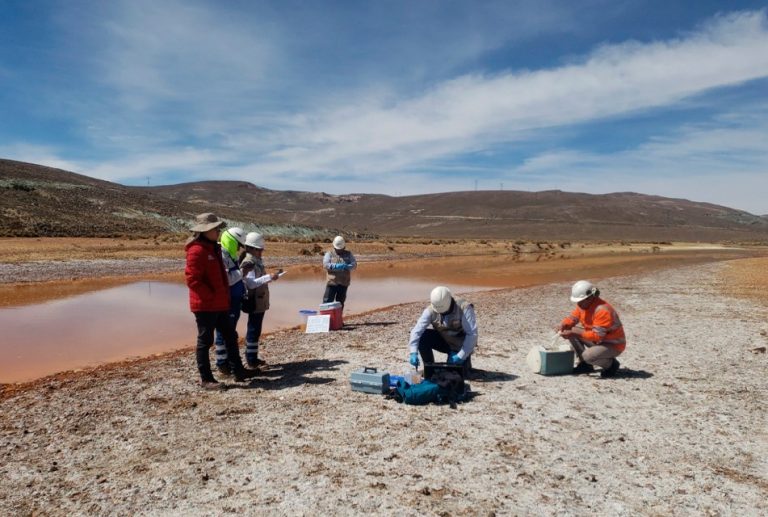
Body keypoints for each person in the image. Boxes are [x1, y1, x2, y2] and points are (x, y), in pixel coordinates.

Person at [184, 213, 258, 389]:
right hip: (205, 305)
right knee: (205, 341)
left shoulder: (214, 249)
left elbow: (222, 277)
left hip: (219, 303)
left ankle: (238, 370)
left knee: (230, 337)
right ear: (206, 231)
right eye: (216, 229)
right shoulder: (197, 251)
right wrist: (210, 296)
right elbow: (192, 280)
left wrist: (221, 296)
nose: (218, 232)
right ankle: (206, 379)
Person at [556, 280, 625, 378]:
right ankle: (585, 365)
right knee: (572, 330)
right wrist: (564, 324)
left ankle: (611, 365)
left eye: (580, 301)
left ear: (590, 298)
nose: (578, 304)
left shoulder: (602, 310)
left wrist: (574, 333)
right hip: (600, 340)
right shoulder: (583, 305)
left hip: (613, 345)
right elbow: (573, 318)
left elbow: (597, 336)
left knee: (587, 355)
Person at [407, 286, 478, 374]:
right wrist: (413, 352)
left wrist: (461, 355)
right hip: (444, 341)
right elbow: (416, 331)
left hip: (460, 345)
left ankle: (462, 362)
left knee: (459, 373)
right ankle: (430, 368)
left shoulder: (464, 308)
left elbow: (472, 334)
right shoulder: (430, 310)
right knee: (423, 337)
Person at [240, 232, 281, 367]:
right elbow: (251, 283)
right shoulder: (249, 262)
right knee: (253, 329)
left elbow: (256, 281)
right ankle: (251, 360)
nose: (261, 252)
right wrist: (269, 277)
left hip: (260, 299)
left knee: (256, 329)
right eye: (259, 249)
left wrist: (270, 278)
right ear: (251, 248)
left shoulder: (256, 260)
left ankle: (253, 357)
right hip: (254, 301)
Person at [213, 226, 247, 374]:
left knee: (229, 332)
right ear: (233, 241)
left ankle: (229, 363)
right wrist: (243, 272)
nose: (239, 248)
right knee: (223, 332)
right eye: (238, 245)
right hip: (227, 300)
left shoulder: (229, 254)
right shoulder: (222, 254)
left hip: (233, 300)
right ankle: (223, 364)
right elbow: (226, 279)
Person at [322, 235, 357, 308]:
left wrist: (348, 266)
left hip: (343, 283)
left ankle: (337, 318)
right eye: (338, 249)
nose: (339, 250)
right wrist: (335, 266)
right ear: (334, 246)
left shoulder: (349, 254)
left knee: (340, 303)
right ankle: (326, 318)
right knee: (327, 302)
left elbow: (354, 265)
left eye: (341, 249)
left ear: (344, 247)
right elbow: (325, 265)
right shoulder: (329, 254)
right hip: (332, 283)